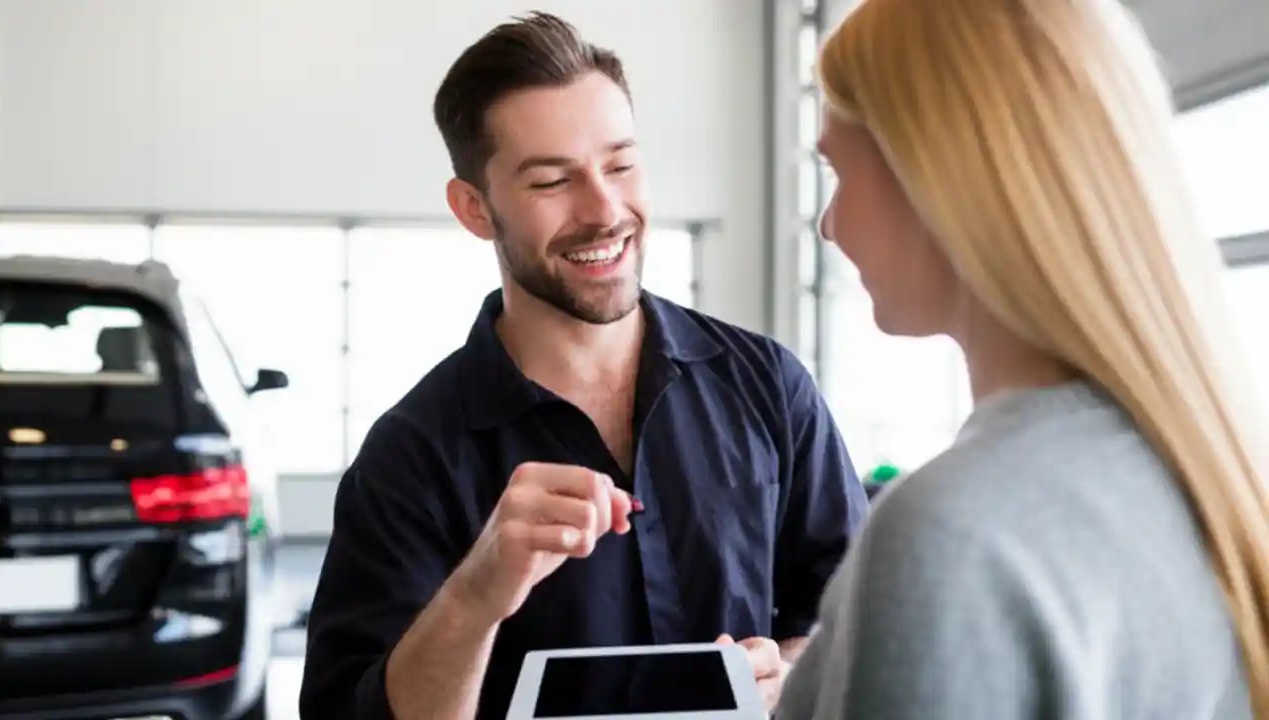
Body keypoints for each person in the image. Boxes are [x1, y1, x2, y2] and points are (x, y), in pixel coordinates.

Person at [300, 12, 869, 720]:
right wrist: (477, 595)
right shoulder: (412, 454)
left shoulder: (769, 387)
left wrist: (789, 672)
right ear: (475, 209)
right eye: (550, 182)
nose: (604, 211)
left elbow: (855, 623)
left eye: (621, 165)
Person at [776, 0, 1269, 717]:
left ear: (937, 175)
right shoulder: (1208, 469)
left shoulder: (953, 534)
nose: (830, 222)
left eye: (840, 173)